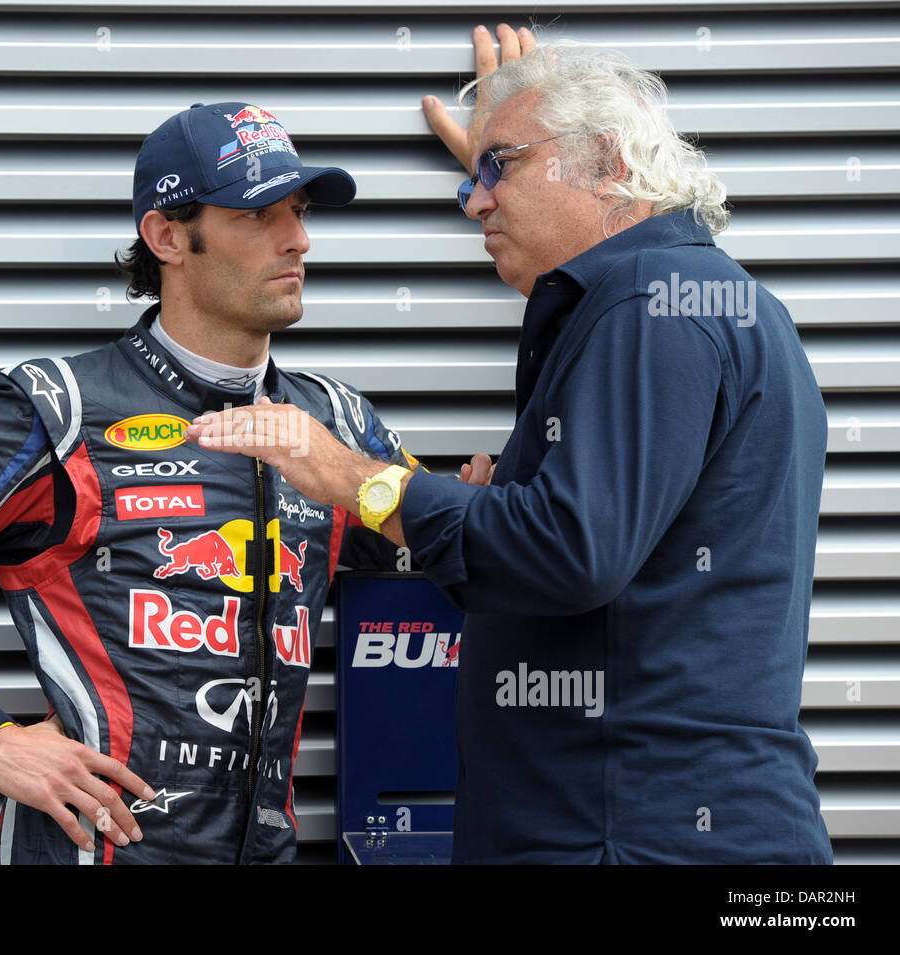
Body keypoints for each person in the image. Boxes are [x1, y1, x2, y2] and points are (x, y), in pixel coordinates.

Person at [189, 41, 833, 864]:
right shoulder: (709, 302)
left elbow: (569, 552)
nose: (474, 203)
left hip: (628, 836)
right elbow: (597, 558)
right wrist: (490, 514)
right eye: (472, 176)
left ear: (605, 159)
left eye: (498, 168)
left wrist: (353, 477)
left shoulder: (649, 308)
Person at [0, 101, 415, 865]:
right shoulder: (57, 409)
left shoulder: (339, 424)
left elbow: (459, 562)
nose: (298, 238)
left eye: (297, 210)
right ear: (166, 236)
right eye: (258, 214)